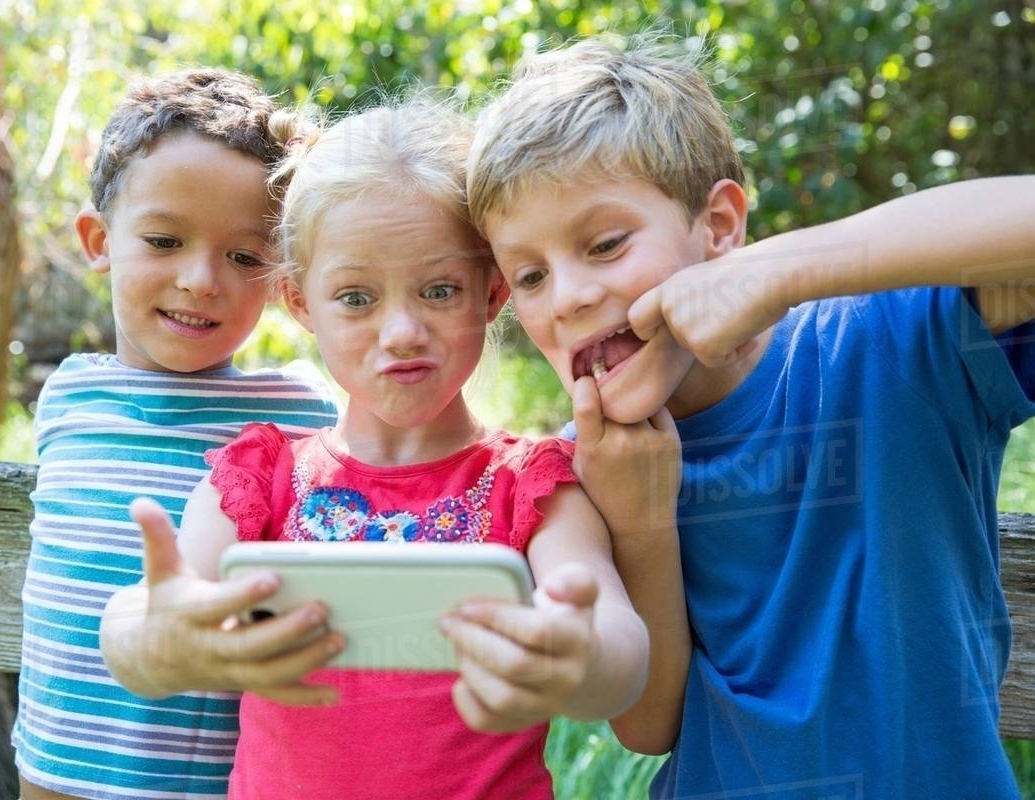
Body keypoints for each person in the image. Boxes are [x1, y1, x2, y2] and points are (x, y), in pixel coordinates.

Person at [466, 35, 1035, 799]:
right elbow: (648, 726)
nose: (566, 296)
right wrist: (641, 524)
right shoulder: (579, 472)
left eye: (604, 245)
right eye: (529, 275)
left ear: (722, 227)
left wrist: (781, 269)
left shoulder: (894, 347)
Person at [101, 99, 659, 800]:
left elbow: (619, 646)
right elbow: (137, 621)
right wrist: (162, 638)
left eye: (438, 291)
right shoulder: (260, 476)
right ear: (300, 302)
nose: (401, 332)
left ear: (490, 294)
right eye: (356, 298)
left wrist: (580, 656)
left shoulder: (532, 485)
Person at [0, 68, 338, 800]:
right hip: (52, 771)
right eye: (165, 240)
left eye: (244, 256)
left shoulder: (298, 415)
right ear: (97, 240)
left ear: (278, 273)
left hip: (210, 781)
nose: (202, 279)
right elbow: (65, 506)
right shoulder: (71, 394)